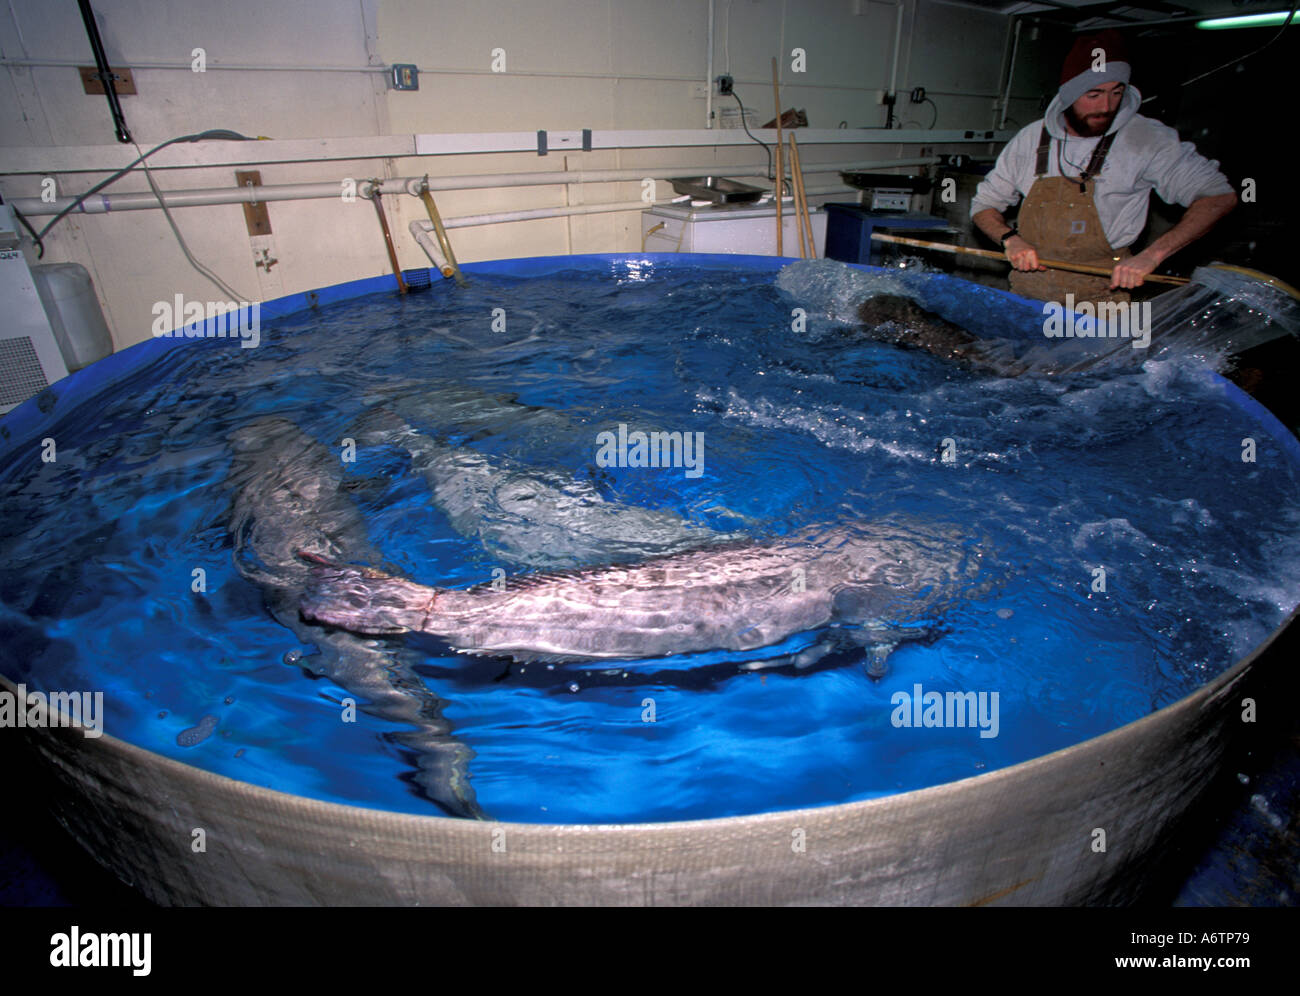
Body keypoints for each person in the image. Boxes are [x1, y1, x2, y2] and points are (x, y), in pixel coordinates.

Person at [971, 30, 1237, 308]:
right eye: (1093, 94)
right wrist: (1010, 239)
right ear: (1068, 94)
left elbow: (1219, 198)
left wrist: (1152, 255)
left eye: (1116, 92)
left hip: (1099, 297)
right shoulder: (1030, 138)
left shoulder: (1146, 138)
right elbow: (984, 205)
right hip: (1028, 291)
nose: (1106, 106)